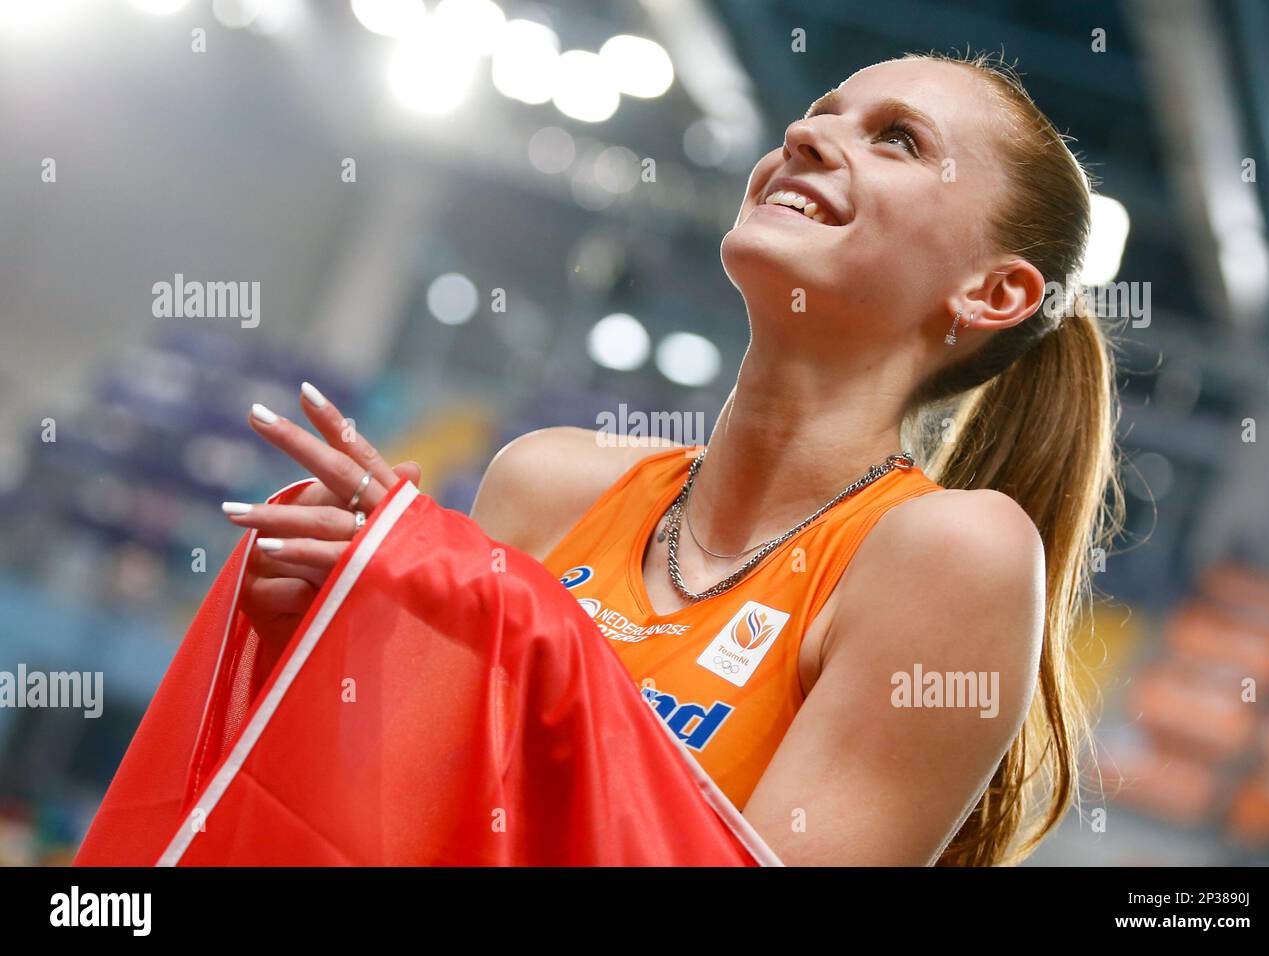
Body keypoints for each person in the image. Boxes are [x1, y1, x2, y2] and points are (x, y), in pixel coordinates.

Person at [225, 50, 1125, 866]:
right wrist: (315, 656)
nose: (805, 135)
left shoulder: (953, 555)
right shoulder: (547, 480)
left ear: (993, 291)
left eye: (897, 139)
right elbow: (403, 835)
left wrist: (540, 646)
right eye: (820, 111)